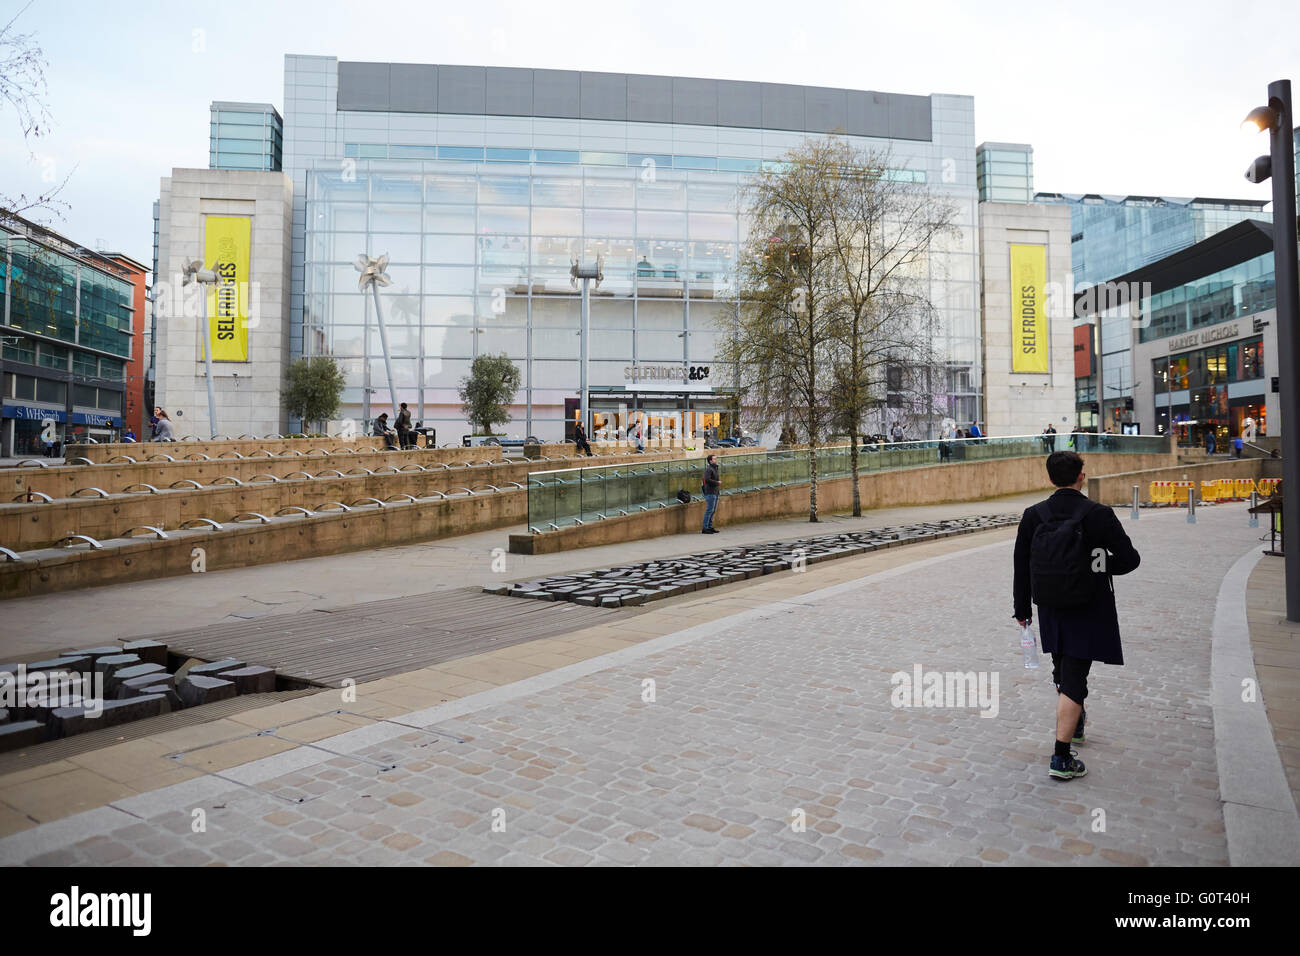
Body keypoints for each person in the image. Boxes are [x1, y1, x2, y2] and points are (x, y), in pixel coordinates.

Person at [1013, 450, 1141, 781]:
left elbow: (1021, 567)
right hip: (1089, 606)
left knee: (1063, 667)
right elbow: (1129, 559)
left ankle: (1077, 720)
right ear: (1080, 477)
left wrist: (1022, 611)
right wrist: (1097, 565)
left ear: (1050, 478)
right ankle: (1061, 758)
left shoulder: (1033, 515)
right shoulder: (1098, 514)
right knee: (1074, 678)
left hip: (1050, 606)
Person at [701, 454, 721, 533]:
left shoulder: (714, 468)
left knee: (713, 510)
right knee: (709, 510)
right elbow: (707, 479)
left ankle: (710, 526)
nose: (716, 460)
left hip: (715, 492)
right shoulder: (709, 469)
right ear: (710, 461)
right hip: (710, 492)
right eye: (714, 459)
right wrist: (717, 482)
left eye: (716, 459)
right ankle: (705, 528)